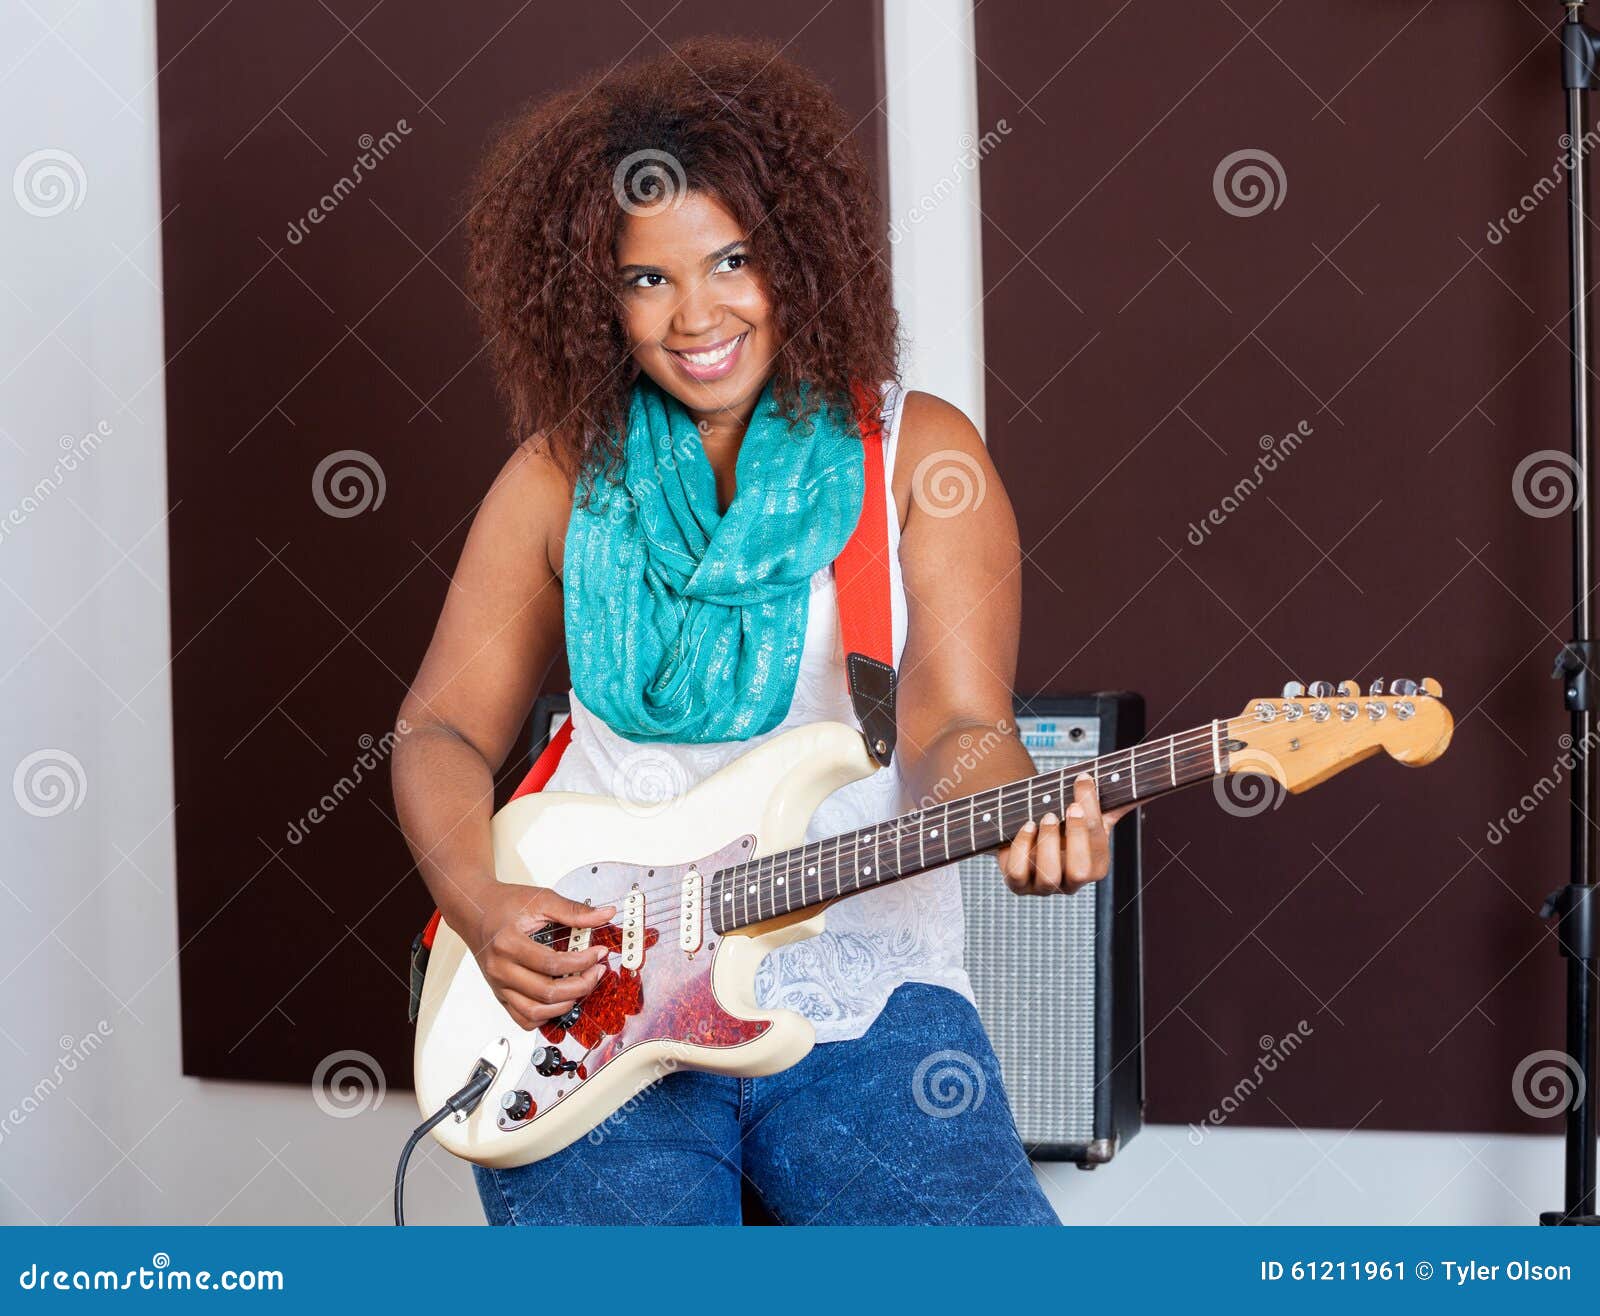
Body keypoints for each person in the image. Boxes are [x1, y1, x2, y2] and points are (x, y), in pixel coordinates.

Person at [392, 35, 1126, 1227]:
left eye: (732, 260)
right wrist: (479, 899)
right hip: (590, 997)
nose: (697, 316)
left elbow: (955, 723)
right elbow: (436, 728)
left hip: (861, 992)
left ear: (796, 259)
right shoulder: (556, 477)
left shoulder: (917, 457)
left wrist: (1021, 803)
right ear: (596, 294)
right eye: (648, 279)